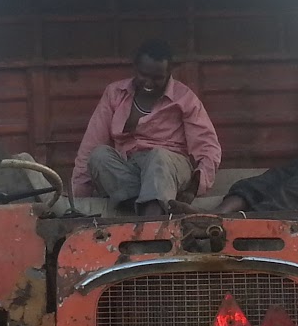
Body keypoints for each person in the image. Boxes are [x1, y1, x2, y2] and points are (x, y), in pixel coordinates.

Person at [72, 40, 222, 218]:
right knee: (98, 155)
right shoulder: (114, 93)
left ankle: (151, 222)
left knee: (158, 157)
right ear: (135, 68)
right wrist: (79, 197)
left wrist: (194, 187)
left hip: (169, 165)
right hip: (129, 168)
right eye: (144, 75)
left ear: (169, 72)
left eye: (157, 77)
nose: (149, 83)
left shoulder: (185, 99)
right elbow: (91, 143)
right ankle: (148, 210)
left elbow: (208, 147)